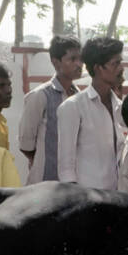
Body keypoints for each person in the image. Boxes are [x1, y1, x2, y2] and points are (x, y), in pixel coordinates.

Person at [56, 37, 125, 189]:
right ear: (98, 68)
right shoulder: (73, 106)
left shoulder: (119, 106)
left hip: (117, 197)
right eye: (115, 63)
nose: (121, 68)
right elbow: (66, 167)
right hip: (87, 199)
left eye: (121, 62)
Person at [19, 35, 81, 183]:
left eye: (81, 59)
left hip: (74, 183)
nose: (79, 64)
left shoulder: (79, 96)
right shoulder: (40, 96)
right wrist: (44, 160)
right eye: (72, 59)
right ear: (55, 62)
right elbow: (26, 144)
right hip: (44, 183)